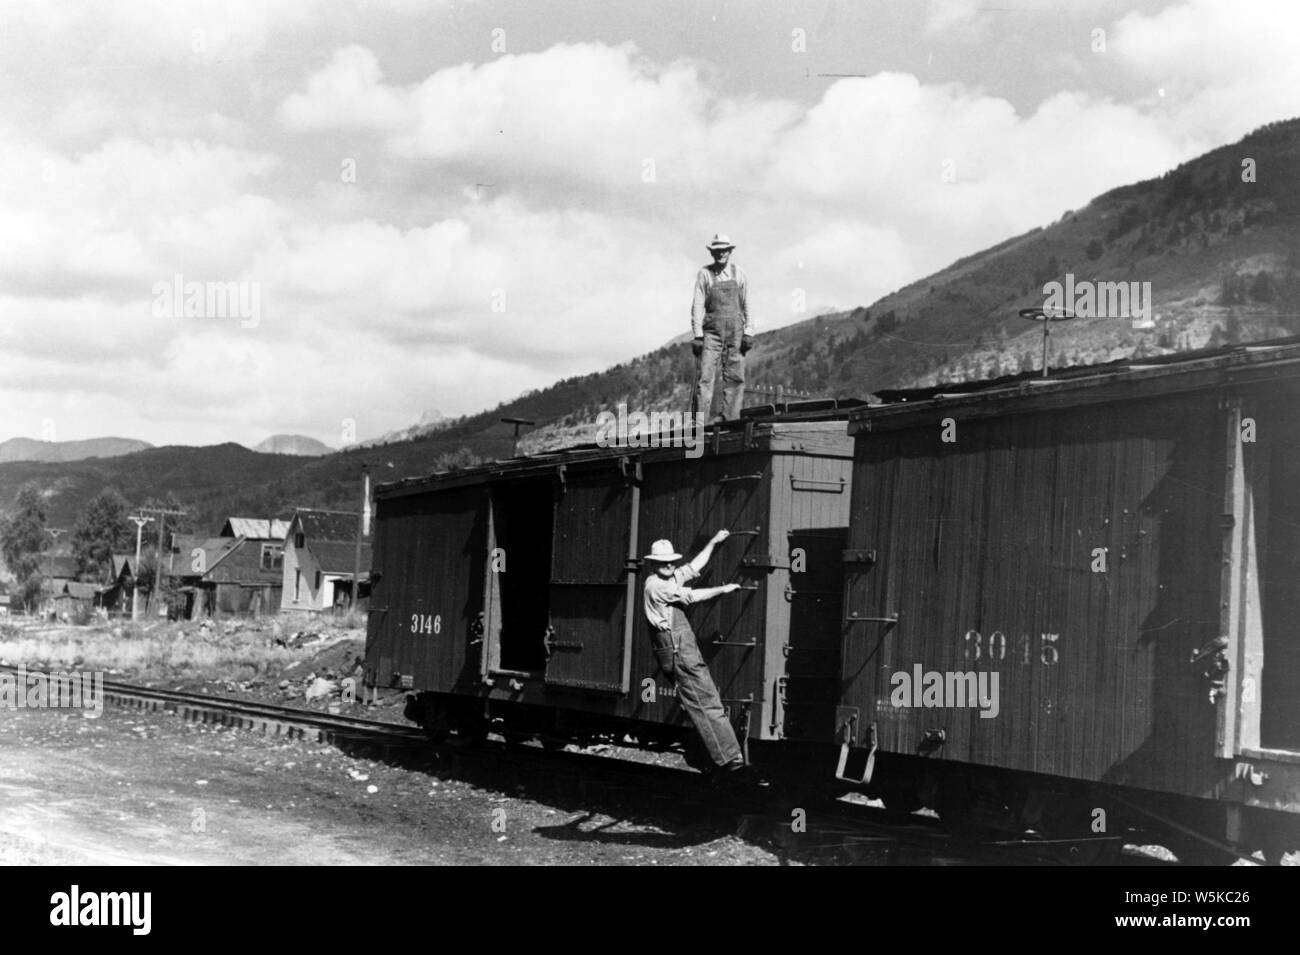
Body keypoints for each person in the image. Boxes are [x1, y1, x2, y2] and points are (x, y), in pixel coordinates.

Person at [642, 530, 752, 779]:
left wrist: (714, 542)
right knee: (705, 702)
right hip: (677, 649)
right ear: (653, 564)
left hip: (681, 647)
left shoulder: (667, 579)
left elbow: (692, 567)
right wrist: (724, 589)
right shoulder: (657, 586)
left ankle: (727, 759)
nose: (670, 565)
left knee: (706, 700)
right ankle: (730, 763)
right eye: (663, 562)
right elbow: (692, 596)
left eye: (671, 561)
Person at [691, 234, 754, 422]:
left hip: (736, 333)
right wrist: (698, 335)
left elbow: (747, 303)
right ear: (712, 252)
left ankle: (730, 419)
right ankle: (699, 423)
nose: (721, 254)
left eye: (724, 250)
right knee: (705, 376)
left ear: (730, 251)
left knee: (735, 377)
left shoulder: (739, 273)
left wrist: (749, 331)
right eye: (717, 251)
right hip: (711, 333)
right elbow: (697, 305)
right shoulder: (704, 274)